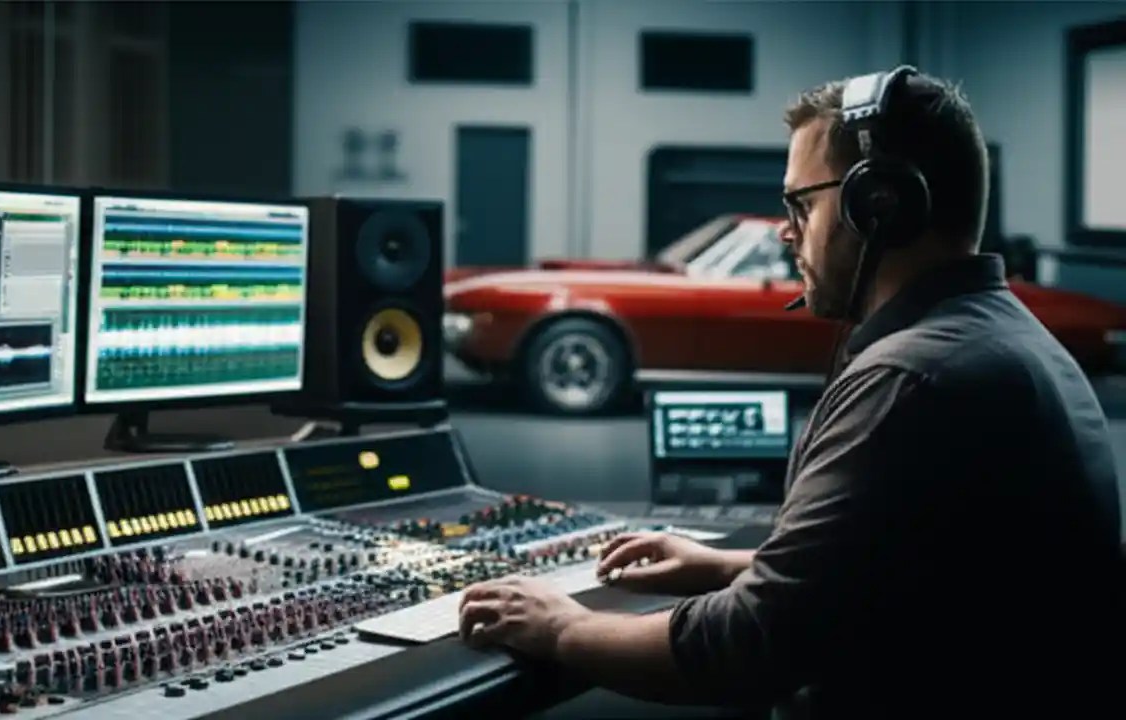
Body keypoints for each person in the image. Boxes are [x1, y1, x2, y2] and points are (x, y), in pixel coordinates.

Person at [457, 68, 1124, 718]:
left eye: (800, 204)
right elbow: (937, 575)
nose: (786, 231)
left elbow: (746, 647)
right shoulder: (1009, 341)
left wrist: (559, 628)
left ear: (880, 205)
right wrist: (727, 566)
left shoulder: (910, 381)